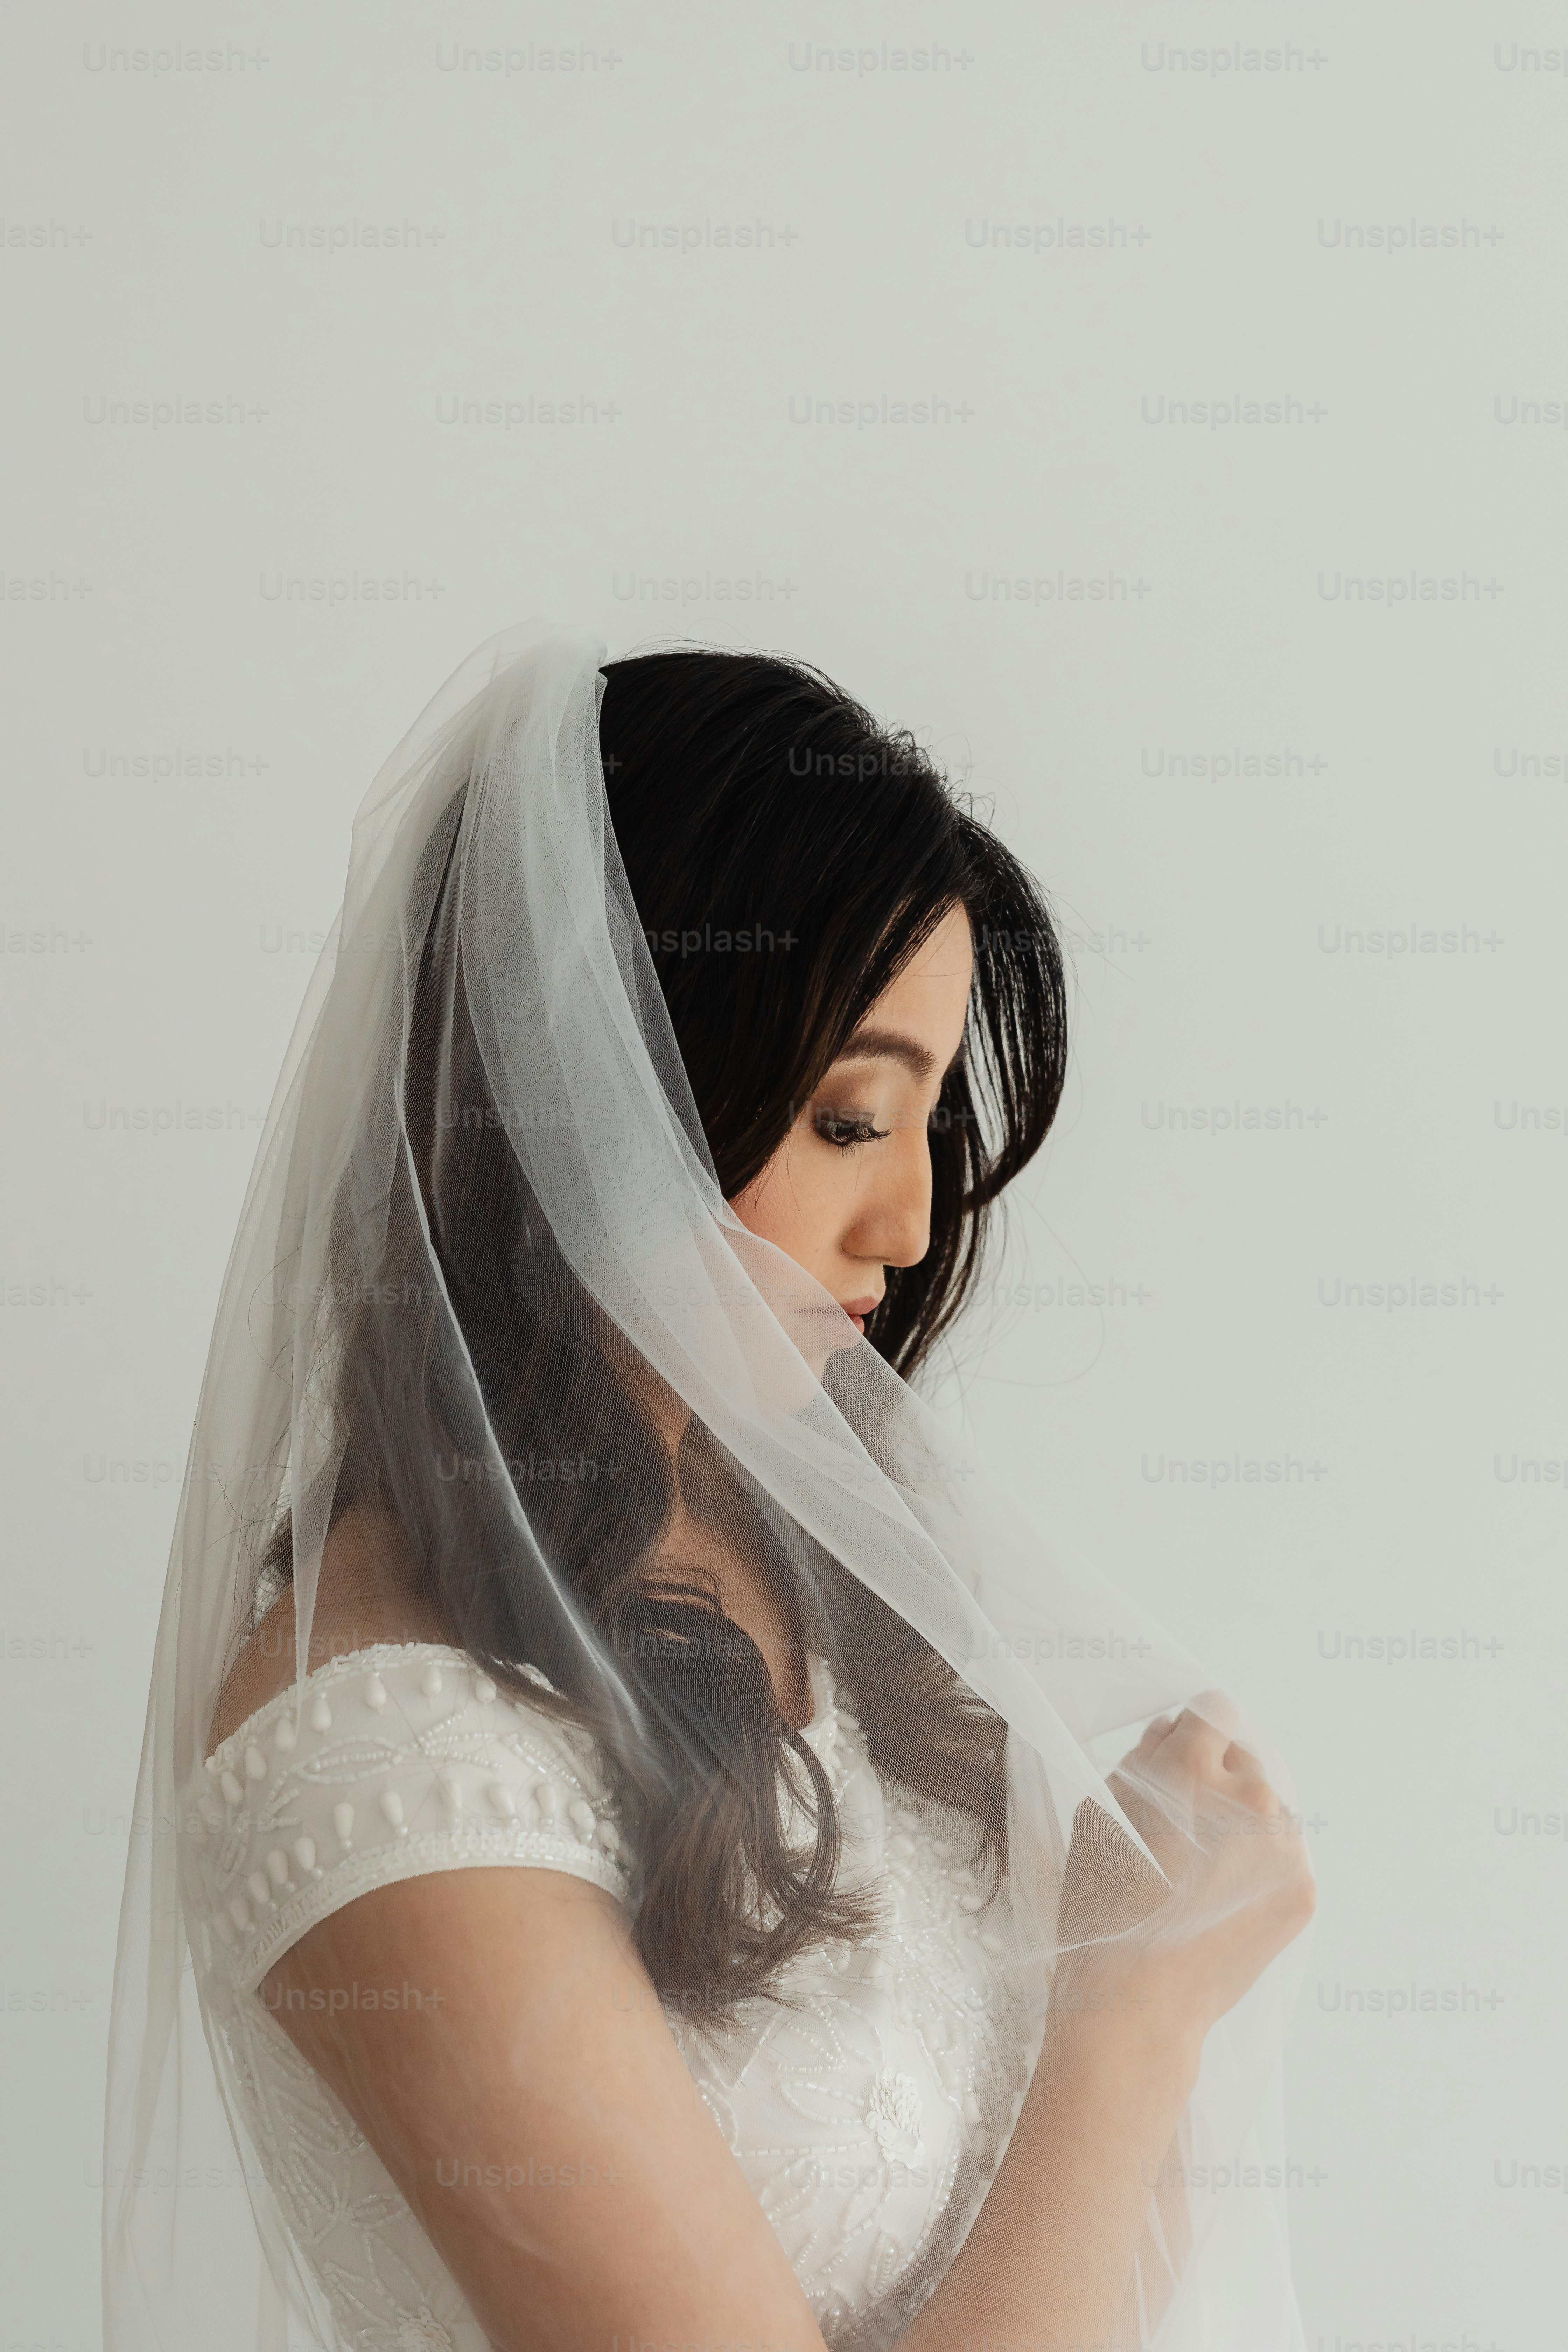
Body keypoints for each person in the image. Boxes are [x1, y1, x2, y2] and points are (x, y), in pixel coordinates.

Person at [104, 624, 1315, 2352]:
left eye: (923, 1130)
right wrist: (1133, 2012)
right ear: (588, 1089)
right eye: (842, 1121)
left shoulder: (805, 1555)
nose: (905, 1232)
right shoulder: (380, 1748)